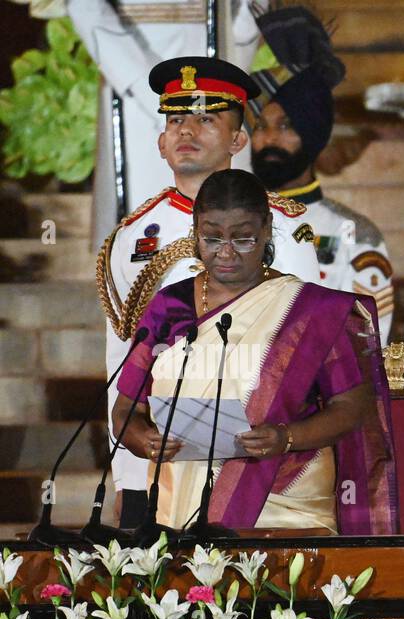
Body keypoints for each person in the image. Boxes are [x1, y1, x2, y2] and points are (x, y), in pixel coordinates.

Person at [95, 56, 320, 529]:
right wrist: (128, 477)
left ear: (239, 140)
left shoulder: (288, 225)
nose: (186, 131)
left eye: (206, 118)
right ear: (160, 142)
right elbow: (122, 361)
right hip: (163, 460)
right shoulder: (132, 236)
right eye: (175, 119)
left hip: (256, 460)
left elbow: (307, 351)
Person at [112, 169, 397, 535]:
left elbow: (351, 408)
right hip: (176, 507)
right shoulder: (169, 307)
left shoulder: (311, 310)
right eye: (211, 238)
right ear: (195, 233)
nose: (226, 252)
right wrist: (144, 440)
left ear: (266, 230)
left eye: (243, 238)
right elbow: (125, 411)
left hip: (285, 503)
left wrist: (286, 437)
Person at [249, 3, 395, 344]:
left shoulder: (355, 234)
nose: (269, 139)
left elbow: (367, 344)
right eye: (260, 126)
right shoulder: (228, 224)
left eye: (285, 126)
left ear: (313, 135)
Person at [66, 0, 260, 239]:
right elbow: (85, 7)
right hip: (133, 77)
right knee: (142, 237)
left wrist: (232, 66)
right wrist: (145, 87)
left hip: (214, 57)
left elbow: (245, 16)